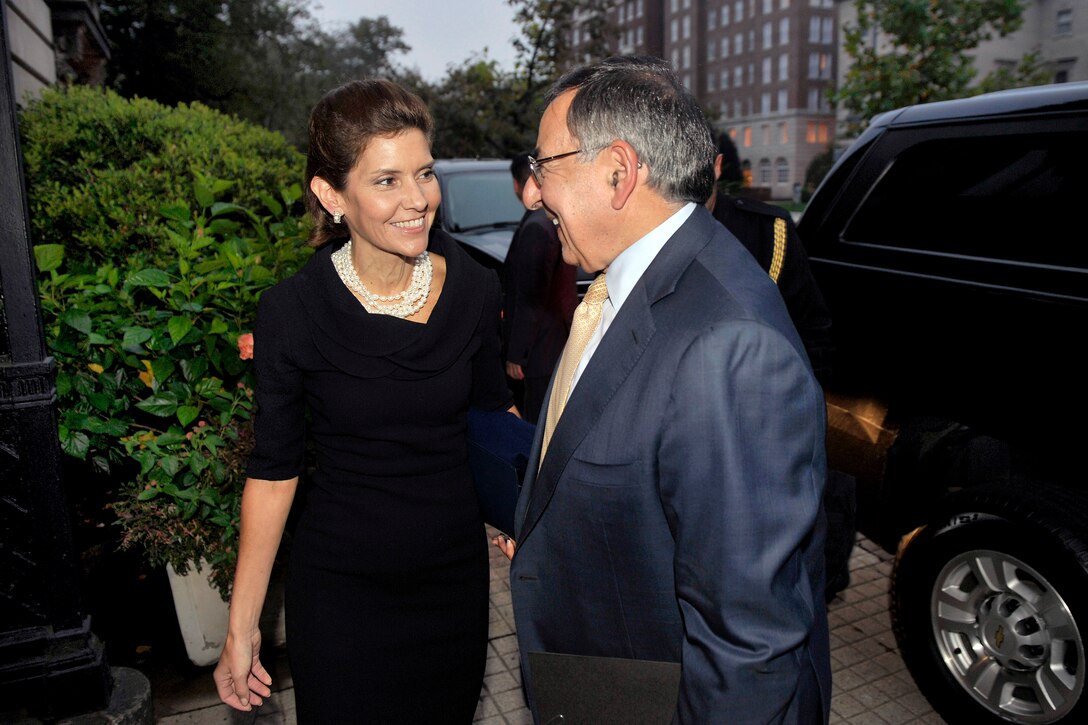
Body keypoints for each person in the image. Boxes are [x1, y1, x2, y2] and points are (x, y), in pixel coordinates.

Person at [495, 56, 831, 722]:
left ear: (618, 172)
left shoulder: (728, 346)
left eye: (544, 167)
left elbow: (749, 644)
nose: (534, 194)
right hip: (610, 676)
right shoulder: (638, 281)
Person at [213, 79, 512, 722]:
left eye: (425, 174)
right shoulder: (291, 312)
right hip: (341, 591)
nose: (417, 201)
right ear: (331, 194)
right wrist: (242, 627)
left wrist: (526, 505)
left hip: (452, 582)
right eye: (386, 181)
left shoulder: (476, 289)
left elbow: (493, 415)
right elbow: (273, 471)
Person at [502, 153, 578, 423]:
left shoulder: (538, 227)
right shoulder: (548, 220)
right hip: (553, 344)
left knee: (536, 425)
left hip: (540, 352)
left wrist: (516, 354)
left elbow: (530, 298)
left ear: (516, 184)